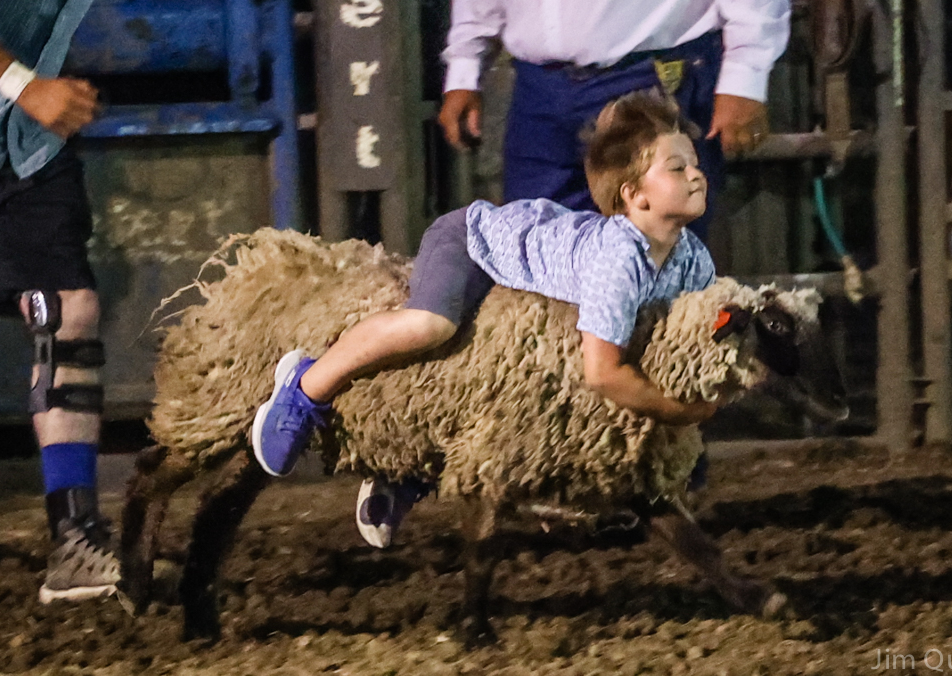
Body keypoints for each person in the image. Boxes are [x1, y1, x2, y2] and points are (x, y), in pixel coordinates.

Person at [252, 90, 719, 547]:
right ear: (634, 195)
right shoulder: (618, 262)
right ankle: (305, 386)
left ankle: (402, 470)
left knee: (500, 388)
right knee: (431, 327)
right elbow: (601, 372)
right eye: (678, 168)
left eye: (694, 163)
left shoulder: (692, 258)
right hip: (473, 242)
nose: (697, 175)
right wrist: (679, 412)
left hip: (531, 277)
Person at [437, 0, 791, 242]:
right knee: (535, 252)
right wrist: (466, 65)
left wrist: (746, 74)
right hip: (540, 88)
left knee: (659, 260)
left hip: (649, 75)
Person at [0, 1, 119, 603]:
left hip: (21, 144)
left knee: (65, 311)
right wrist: (24, 85)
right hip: (21, 102)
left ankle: (75, 535)